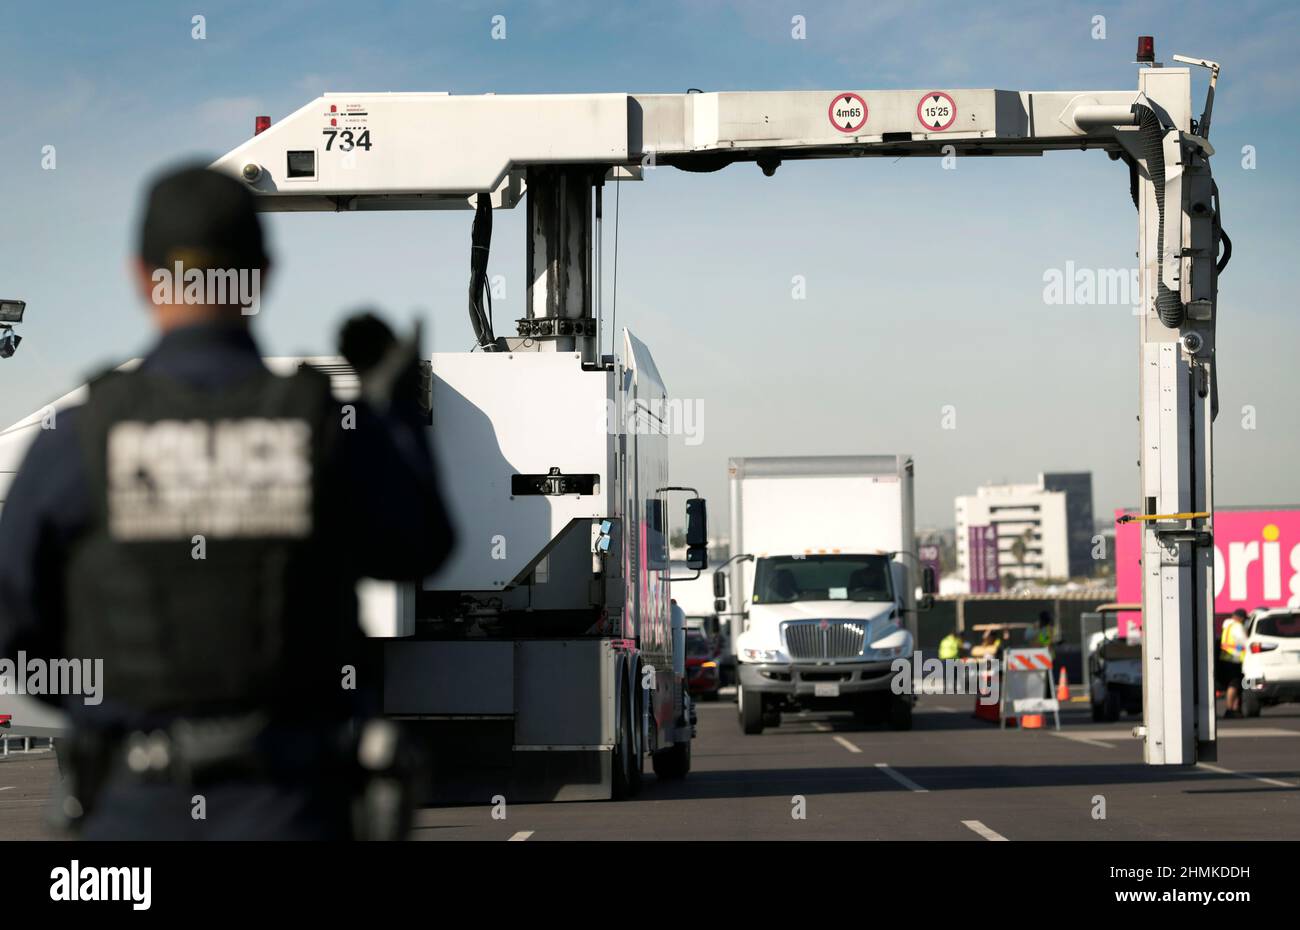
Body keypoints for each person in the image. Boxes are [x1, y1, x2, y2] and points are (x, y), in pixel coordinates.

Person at [0, 164, 455, 839]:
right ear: (263, 275)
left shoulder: (79, 439)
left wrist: (111, 714)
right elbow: (422, 545)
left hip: (133, 812)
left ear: (139, 275)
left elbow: (14, 628)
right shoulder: (321, 427)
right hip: (293, 807)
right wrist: (393, 414)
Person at [1216, 608, 1249, 719]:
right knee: (1233, 685)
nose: (1244, 621)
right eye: (1244, 619)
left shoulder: (1228, 626)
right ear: (1240, 618)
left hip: (1226, 659)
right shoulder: (1237, 627)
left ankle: (1233, 709)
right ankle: (1230, 709)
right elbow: (1245, 641)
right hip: (1233, 660)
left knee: (1233, 684)